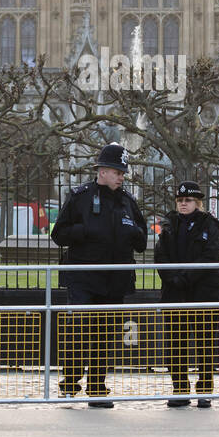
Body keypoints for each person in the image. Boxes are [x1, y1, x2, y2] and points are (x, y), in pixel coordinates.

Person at [50, 143, 148, 408]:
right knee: (78, 331)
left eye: (122, 172)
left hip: (115, 280)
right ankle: (70, 384)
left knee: (105, 335)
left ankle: (97, 387)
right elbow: (58, 234)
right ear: (102, 171)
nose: (121, 176)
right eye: (117, 171)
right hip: (83, 277)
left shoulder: (127, 201)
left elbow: (142, 239)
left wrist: (133, 234)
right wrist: (83, 231)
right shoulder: (81, 197)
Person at [154, 181, 219, 408]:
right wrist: (172, 278)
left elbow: (209, 256)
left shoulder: (209, 224)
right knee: (176, 344)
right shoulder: (169, 224)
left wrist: (184, 277)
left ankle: (205, 389)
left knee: (204, 343)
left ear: (198, 203)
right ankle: (180, 389)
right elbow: (160, 255)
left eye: (188, 200)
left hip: (204, 292)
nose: (183, 204)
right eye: (180, 200)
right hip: (174, 293)